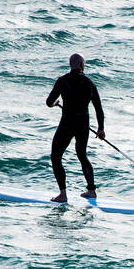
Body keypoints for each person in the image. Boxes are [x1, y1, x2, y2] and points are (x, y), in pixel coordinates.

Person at [46, 53, 104, 203]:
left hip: (67, 123)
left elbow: (49, 102)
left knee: (56, 156)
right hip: (83, 124)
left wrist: (55, 103)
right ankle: (91, 191)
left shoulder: (63, 81)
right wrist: (101, 129)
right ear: (82, 65)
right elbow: (99, 109)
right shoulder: (90, 83)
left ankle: (63, 194)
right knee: (82, 155)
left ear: (70, 64)